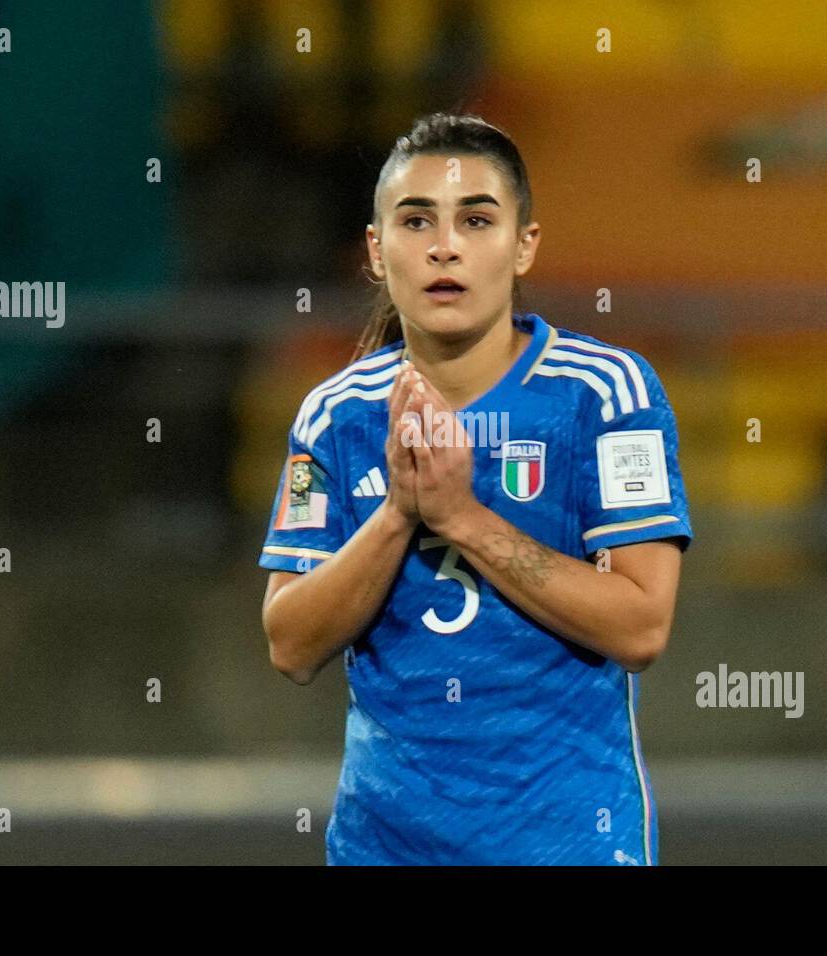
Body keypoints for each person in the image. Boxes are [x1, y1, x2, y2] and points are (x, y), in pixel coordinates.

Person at [258, 112, 693, 865]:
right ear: (374, 249)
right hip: (386, 845)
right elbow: (290, 643)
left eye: (477, 219)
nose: (444, 245)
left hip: (567, 842)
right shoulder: (335, 416)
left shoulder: (606, 394)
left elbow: (641, 627)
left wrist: (461, 517)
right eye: (416, 219)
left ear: (524, 245)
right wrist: (398, 513)